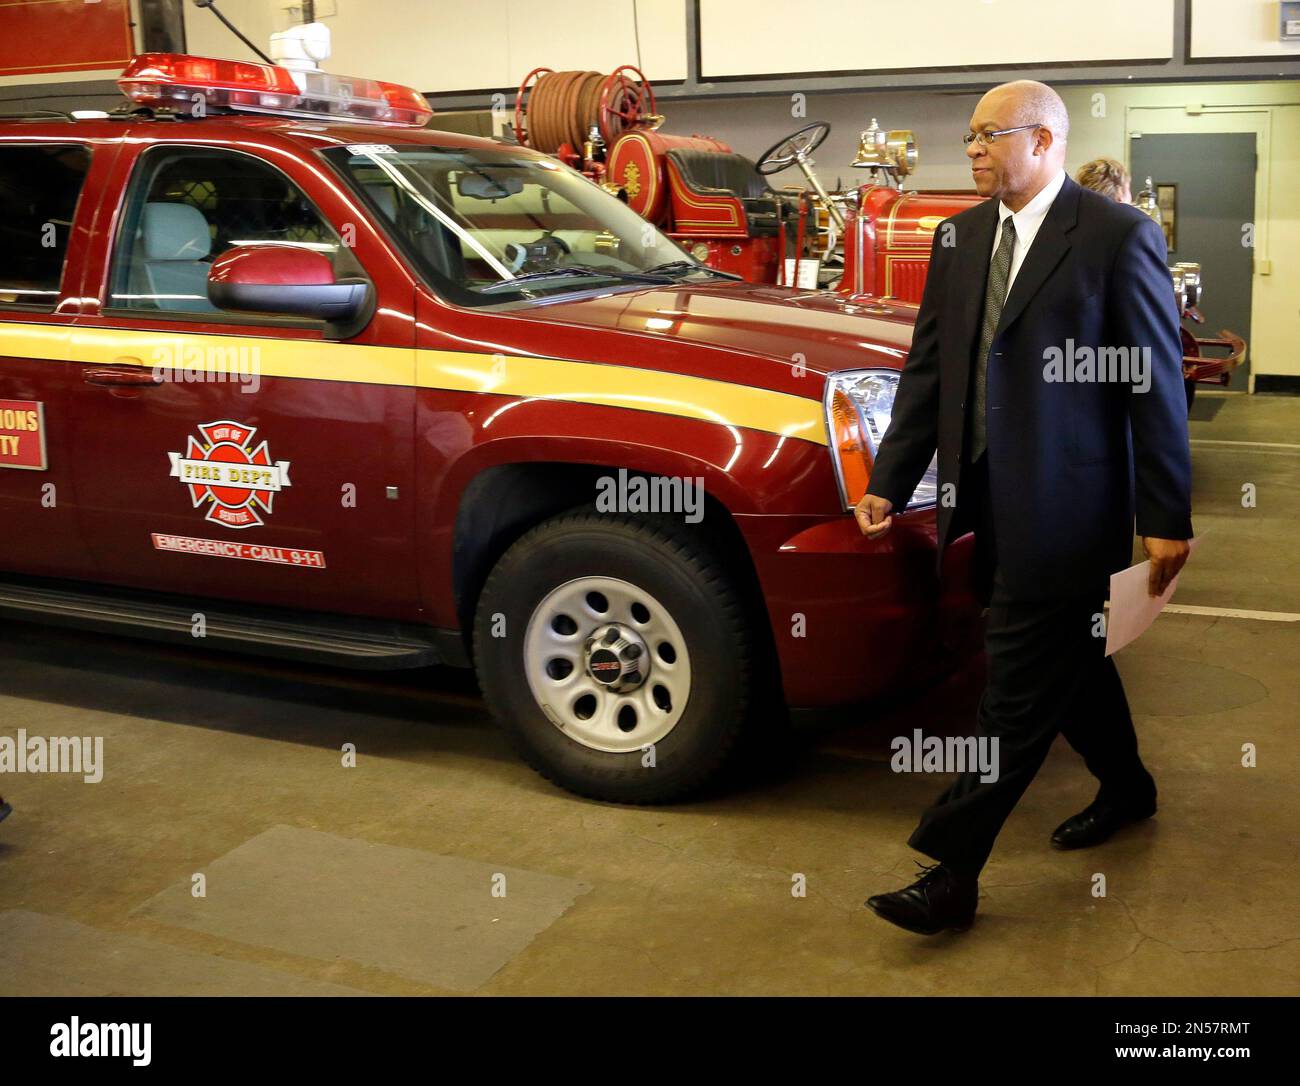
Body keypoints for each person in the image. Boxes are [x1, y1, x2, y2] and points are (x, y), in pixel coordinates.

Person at [855, 80, 1192, 936]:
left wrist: (1166, 512)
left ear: (1043, 141)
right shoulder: (962, 237)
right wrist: (891, 478)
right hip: (983, 499)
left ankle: (951, 870)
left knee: (1014, 682)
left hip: (1071, 505)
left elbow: (1153, 383)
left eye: (986, 135)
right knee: (1069, 659)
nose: (969, 149)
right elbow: (930, 369)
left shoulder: (1115, 236)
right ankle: (1128, 788)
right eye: (966, 137)